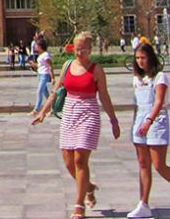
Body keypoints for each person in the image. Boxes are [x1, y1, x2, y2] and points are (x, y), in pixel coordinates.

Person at [32, 32, 120, 219]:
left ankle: (79, 206)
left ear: (90, 49)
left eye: (84, 49)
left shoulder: (96, 70)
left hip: (88, 113)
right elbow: (55, 92)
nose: (80, 53)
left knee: (80, 159)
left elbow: (104, 96)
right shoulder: (67, 65)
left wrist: (113, 120)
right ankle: (88, 187)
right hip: (70, 112)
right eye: (77, 49)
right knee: (68, 161)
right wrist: (42, 112)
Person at [127, 43, 170, 218]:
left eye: (143, 58)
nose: (140, 61)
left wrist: (149, 121)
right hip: (140, 122)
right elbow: (137, 104)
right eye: (137, 58)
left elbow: (159, 101)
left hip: (156, 121)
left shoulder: (160, 77)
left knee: (159, 165)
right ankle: (143, 203)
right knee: (143, 164)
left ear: (150, 58)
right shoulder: (137, 79)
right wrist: (136, 126)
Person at [28, 38, 54, 116]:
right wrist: (34, 64)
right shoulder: (41, 55)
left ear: (40, 46)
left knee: (39, 91)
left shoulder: (46, 54)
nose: (35, 47)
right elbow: (40, 65)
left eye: (36, 46)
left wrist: (53, 77)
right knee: (45, 93)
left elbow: (50, 66)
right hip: (40, 74)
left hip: (44, 75)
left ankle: (36, 110)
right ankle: (53, 108)